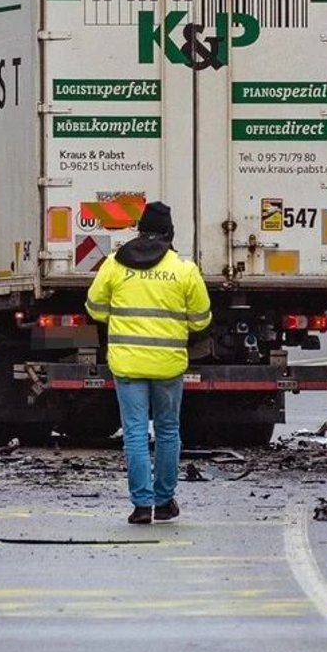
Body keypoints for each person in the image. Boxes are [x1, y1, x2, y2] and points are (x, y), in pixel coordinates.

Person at [85, 202, 212, 525]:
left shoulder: (114, 264)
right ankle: (165, 500)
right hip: (168, 366)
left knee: (135, 434)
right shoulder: (184, 270)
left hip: (127, 365)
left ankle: (142, 506)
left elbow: (95, 308)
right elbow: (200, 320)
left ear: (140, 230)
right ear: (170, 234)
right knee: (168, 431)